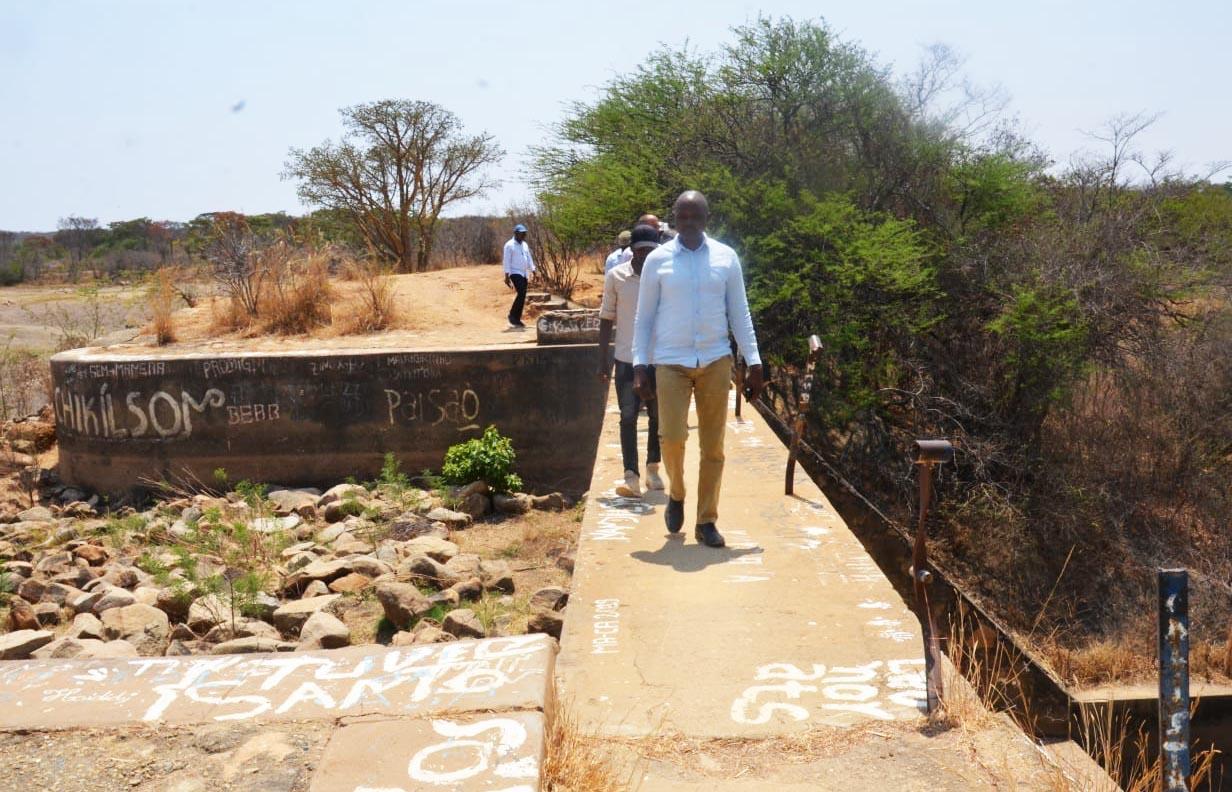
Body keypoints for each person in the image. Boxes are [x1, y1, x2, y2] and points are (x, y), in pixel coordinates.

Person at [631, 191, 764, 547]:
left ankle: (706, 520)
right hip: (670, 361)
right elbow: (643, 319)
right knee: (672, 437)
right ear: (674, 219)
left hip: (715, 360)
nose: (689, 223)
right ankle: (677, 493)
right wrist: (639, 364)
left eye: (696, 217)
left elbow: (740, 312)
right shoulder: (659, 261)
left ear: (706, 219)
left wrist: (754, 361)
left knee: (713, 447)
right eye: (682, 217)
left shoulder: (725, 257)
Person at [597, 224, 664, 498]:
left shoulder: (663, 277)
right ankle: (630, 475)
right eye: (641, 250)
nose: (646, 255)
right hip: (625, 358)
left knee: (658, 417)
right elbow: (605, 319)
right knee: (627, 417)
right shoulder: (616, 277)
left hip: (658, 360)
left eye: (651, 250)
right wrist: (603, 360)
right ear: (632, 251)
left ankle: (653, 468)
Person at [503, 223, 536, 328]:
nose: (523, 235)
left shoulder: (524, 244)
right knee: (521, 291)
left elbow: (529, 258)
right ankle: (512, 316)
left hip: (524, 272)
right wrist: (507, 276)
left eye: (524, 233)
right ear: (516, 233)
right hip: (514, 272)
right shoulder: (509, 245)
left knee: (522, 294)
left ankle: (516, 319)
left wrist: (533, 270)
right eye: (522, 233)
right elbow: (506, 261)